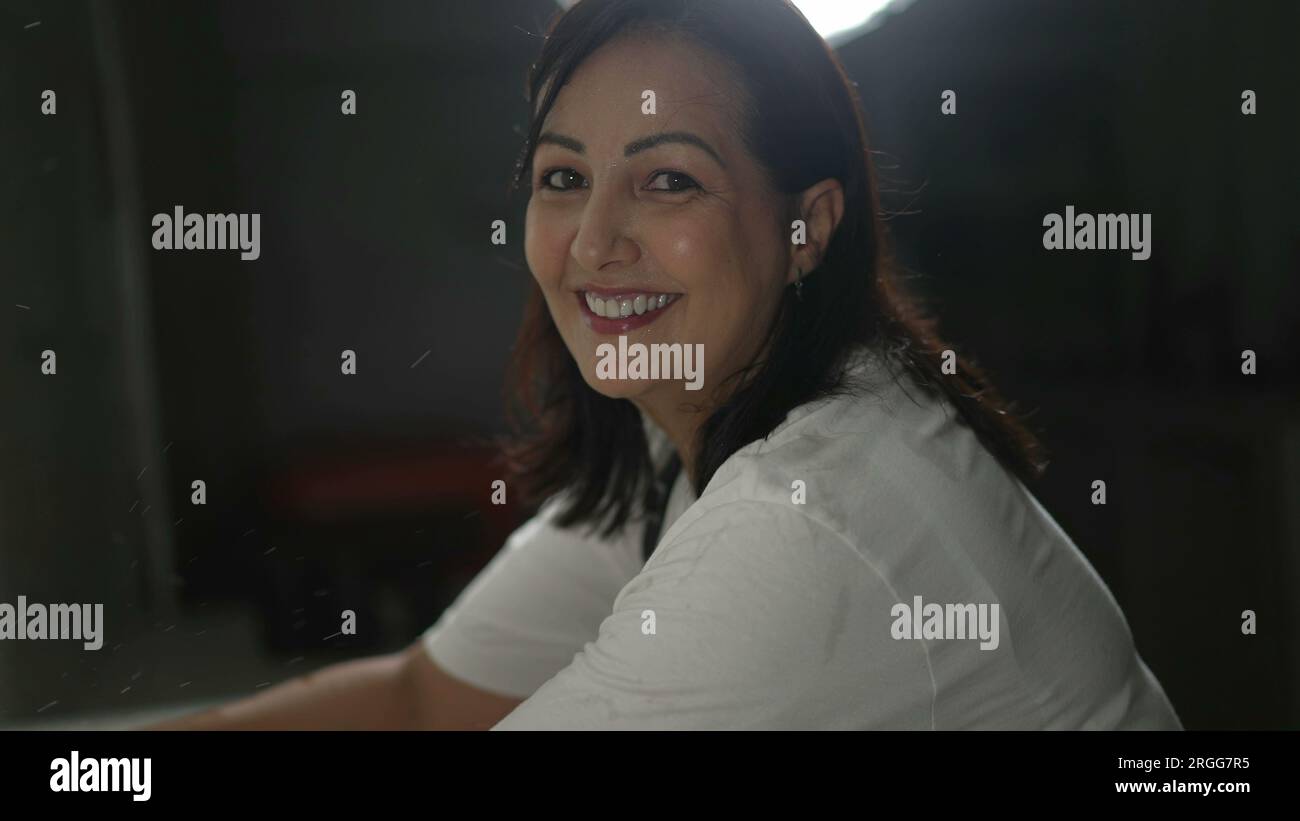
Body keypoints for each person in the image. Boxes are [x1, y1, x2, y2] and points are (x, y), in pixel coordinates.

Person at [154, 0, 1181, 730]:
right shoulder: (688, 429)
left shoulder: (805, 525)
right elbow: (425, 702)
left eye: (669, 180)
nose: (594, 241)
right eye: (565, 176)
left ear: (804, 227)